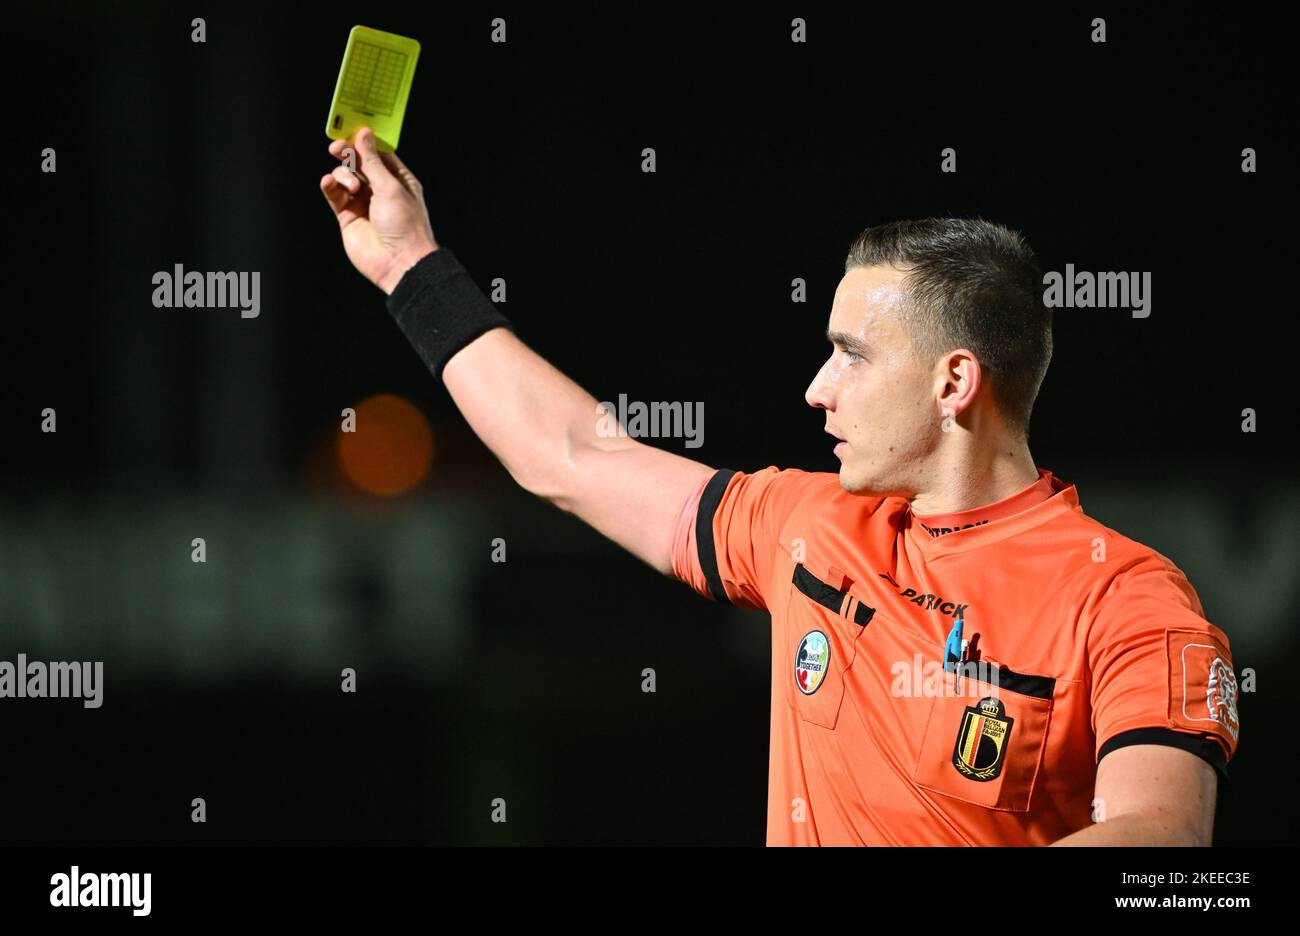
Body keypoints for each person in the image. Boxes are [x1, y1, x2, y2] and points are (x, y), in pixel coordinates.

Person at [319, 127, 1240, 845]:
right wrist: (409, 267)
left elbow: (1163, 841)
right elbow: (571, 456)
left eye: (850, 356)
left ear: (953, 382)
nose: (815, 389)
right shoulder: (806, 526)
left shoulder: (1125, 599)